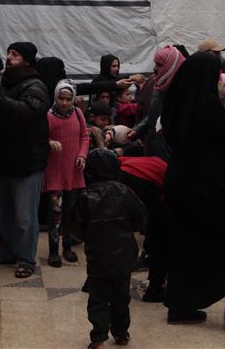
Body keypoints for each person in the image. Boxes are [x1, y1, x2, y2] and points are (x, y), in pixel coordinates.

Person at [161, 52, 225, 331]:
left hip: (181, 181)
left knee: (187, 244)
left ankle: (180, 305)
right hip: (211, 185)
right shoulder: (208, 105)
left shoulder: (175, 102)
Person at [66, 149, 146, 349]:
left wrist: (88, 236)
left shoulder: (86, 196)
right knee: (121, 297)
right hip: (124, 256)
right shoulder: (126, 192)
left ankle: (98, 339)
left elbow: (75, 228)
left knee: (99, 299)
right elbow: (141, 219)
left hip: (98, 257)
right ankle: (121, 334)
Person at [0, 42, 50, 279]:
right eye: (9, 53)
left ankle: (26, 259)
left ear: (27, 60)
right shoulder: (1, 82)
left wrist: (0, 102)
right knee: (2, 213)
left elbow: (29, 112)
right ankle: (8, 252)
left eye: (16, 54)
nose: (9, 57)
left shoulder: (36, 86)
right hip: (2, 160)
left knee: (25, 217)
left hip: (27, 162)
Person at [42, 81, 88, 268]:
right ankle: (53, 250)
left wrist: (82, 155)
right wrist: (49, 141)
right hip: (55, 173)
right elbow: (40, 137)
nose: (64, 102)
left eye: (68, 99)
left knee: (70, 212)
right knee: (55, 214)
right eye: (61, 98)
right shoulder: (49, 116)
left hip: (74, 172)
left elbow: (84, 136)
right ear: (55, 97)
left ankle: (67, 246)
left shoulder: (77, 113)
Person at [116, 155, 169, 303]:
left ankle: (95, 283)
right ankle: (155, 289)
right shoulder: (172, 174)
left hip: (122, 176)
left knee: (114, 230)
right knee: (162, 238)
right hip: (146, 184)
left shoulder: (155, 161)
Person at [131, 46, 184, 161]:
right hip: (154, 148)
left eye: (159, 64)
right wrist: (137, 130)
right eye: (155, 63)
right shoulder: (158, 85)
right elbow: (154, 114)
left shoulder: (182, 91)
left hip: (171, 154)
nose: (154, 68)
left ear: (171, 67)